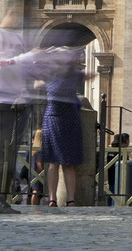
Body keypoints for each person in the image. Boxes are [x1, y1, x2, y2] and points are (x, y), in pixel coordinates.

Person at [0, 0, 36, 213]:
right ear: (13, 12)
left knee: (11, 153)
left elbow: (24, 69)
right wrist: (28, 57)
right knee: (1, 151)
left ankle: (1, 198)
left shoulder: (19, 39)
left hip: (19, 103)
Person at [36, 38, 85, 206]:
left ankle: (55, 198)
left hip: (57, 118)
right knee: (63, 164)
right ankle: (64, 199)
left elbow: (36, 83)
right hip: (63, 118)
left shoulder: (54, 75)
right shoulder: (71, 75)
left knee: (58, 164)